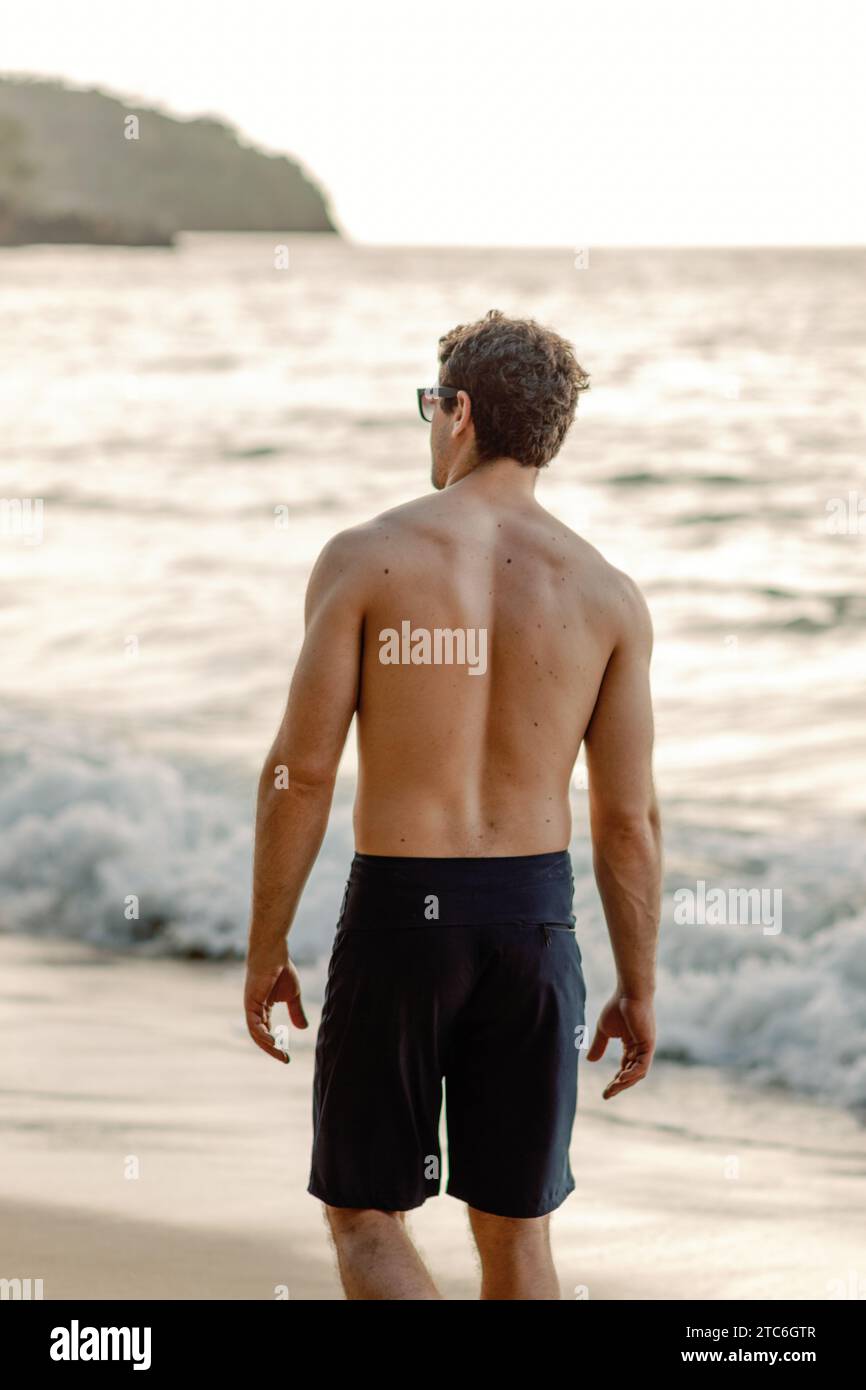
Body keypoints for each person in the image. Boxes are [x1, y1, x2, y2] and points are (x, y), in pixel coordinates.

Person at [244, 309, 662, 1300]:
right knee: (517, 1234)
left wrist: (265, 945)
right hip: (530, 923)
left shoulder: (365, 557)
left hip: (399, 915)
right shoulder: (606, 593)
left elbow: (299, 774)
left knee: (366, 1216)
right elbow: (625, 820)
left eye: (431, 406)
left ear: (460, 410)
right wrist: (636, 983)